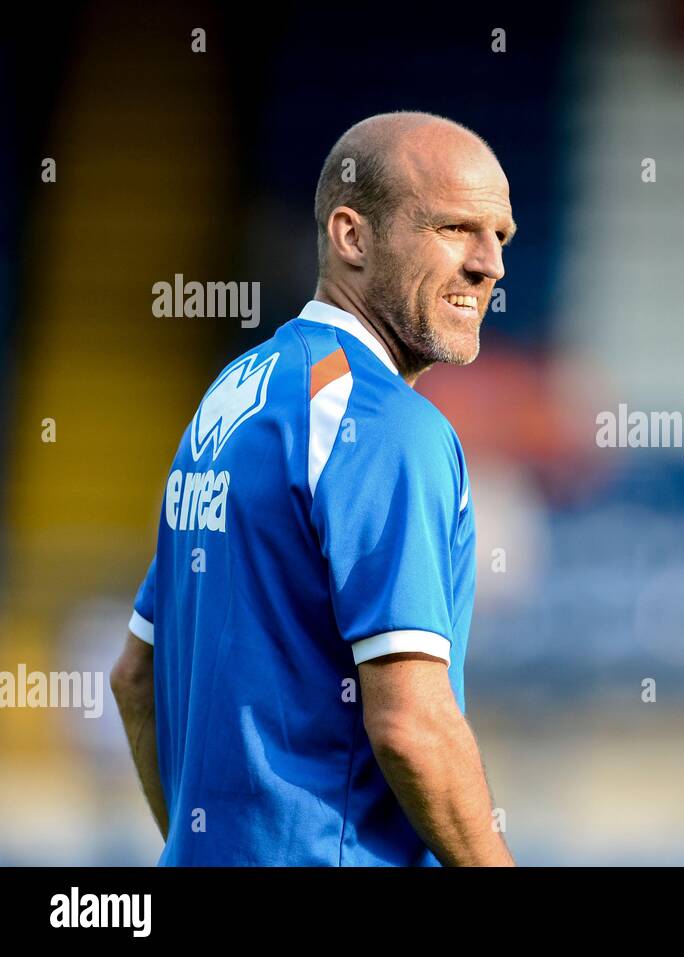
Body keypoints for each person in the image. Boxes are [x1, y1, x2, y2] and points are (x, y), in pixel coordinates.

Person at [109, 112, 517, 866]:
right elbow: (412, 727)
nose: (489, 264)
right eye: (456, 227)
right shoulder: (387, 425)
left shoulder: (229, 402)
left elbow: (136, 676)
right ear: (352, 236)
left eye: (501, 236)